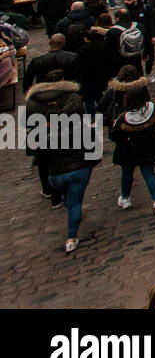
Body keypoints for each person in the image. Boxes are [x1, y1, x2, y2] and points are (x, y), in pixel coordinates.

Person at [27, 73, 97, 251]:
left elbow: (33, 146)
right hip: (77, 166)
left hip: (55, 171)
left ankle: (66, 208)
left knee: (70, 199)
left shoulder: (34, 104)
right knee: (74, 202)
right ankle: (71, 238)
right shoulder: (74, 105)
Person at [107, 72, 155, 213]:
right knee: (149, 173)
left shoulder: (124, 119)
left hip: (128, 148)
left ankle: (126, 198)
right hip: (147, 147)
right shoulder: (151, 109)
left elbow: (113, 135)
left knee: (127, 173)